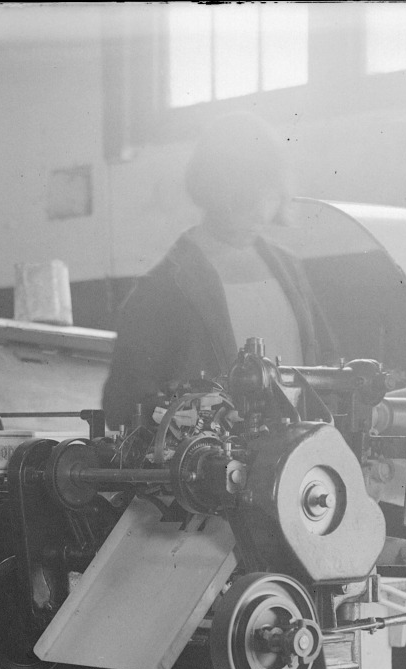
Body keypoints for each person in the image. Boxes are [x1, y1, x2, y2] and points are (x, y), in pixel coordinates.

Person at [101, 112, 338, 430]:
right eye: (246, 197)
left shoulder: (289, 269)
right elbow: (123, 402)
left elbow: (329, 369)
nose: (260, 211)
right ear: (213, 189)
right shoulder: (162, 287)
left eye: (268, 195)